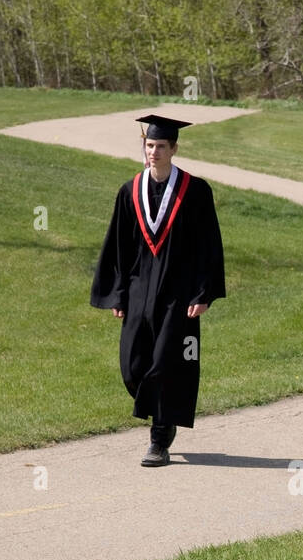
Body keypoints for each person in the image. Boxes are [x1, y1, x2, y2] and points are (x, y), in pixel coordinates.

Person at [90, 114, 226, 465]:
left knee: (167, 363)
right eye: (150, 145)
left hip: (177, 294)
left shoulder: (195, 191)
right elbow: (119, 246)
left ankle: (159, 437)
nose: (154, 152)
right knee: (133, 365)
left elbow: (208, 245)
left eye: (161, 146)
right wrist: (117, 293)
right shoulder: (129, 191)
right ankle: (157, 412)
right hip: (138, 290)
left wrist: (203, 293)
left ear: (174, 148)